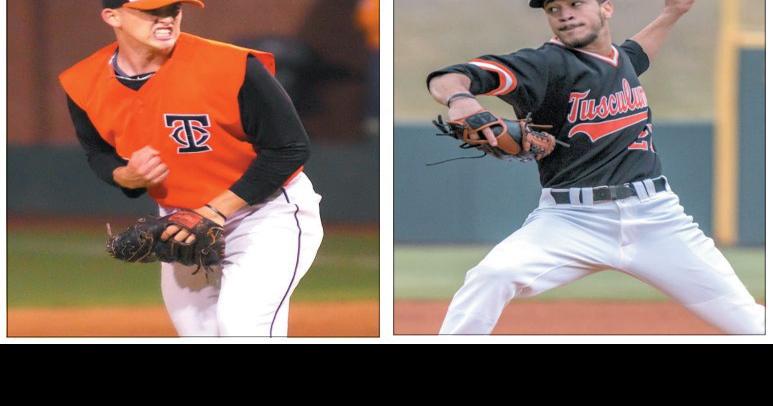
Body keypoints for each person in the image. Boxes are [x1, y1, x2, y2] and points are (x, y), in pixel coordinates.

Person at [427, 0, 764, 334]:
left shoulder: (621, 61)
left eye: (575, 3)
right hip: (570, 220)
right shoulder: (544, 65)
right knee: (491, 276)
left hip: (657, 219)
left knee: (748, 321)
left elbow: (638, 53)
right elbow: (450, 77)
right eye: (553, 9)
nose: (565, 15)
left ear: (607, 7)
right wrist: (460, 98)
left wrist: (672, 13)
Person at [59, 0, 323, 337]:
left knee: (243, 327)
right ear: (113, 16)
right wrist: (124, 176)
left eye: (173, 11)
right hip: (181, 222)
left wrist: (214, 211)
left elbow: (291, 148)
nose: (166, 20)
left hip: (267, 214)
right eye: (151, 12)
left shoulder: (231, 66)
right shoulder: (83, 83)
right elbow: (97, 151)